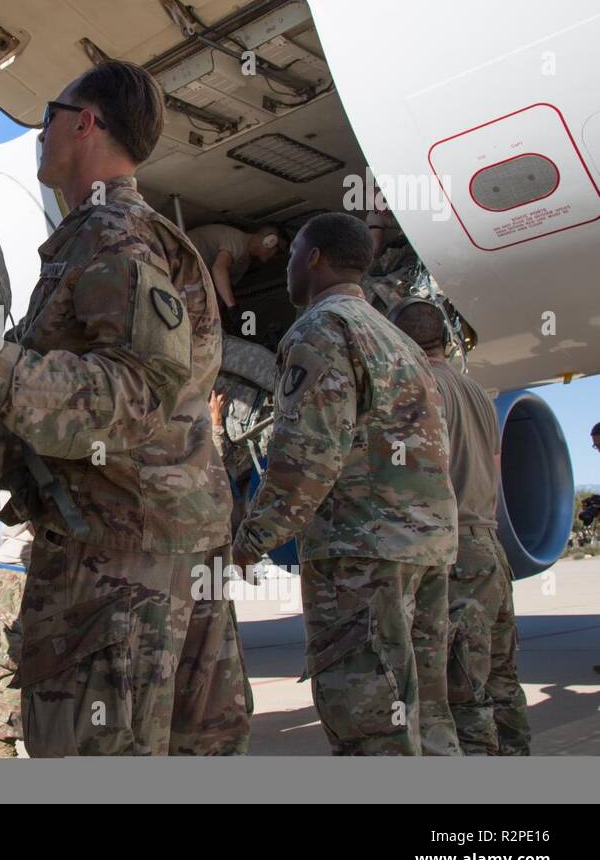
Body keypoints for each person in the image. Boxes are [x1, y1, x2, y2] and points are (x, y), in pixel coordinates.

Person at [0, 60, 250, 756]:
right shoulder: (128, 236)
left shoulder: (112, 234)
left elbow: (132, 392)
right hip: (164, 551)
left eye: (50, 114)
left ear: (84, 124)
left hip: (117, 568)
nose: (39, 132)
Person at [232, 212, 459, 755]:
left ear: (313, 259)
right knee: (427, 721)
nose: (286, 267)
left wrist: (248, 543)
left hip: (362, 555)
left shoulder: (321, 328)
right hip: (426, 550)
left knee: (371, 730)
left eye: (292, 256)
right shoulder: (400, 342)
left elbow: (307, 455)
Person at [389, 298, 530, 755]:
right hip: (490, 550)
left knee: (461, 693)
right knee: (502, 680)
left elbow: (413, 476)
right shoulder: (478, 393)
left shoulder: (421, 388)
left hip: (454, 558)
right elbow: (493, 466)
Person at [186, 223, 286, 331]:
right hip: (179, 259)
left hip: (192, 275)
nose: (276, 257)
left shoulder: (244, 263)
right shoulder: (238, 240)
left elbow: (221, 292)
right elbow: (219, 269)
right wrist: (233, 308)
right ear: (270, 241)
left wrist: (217, 322)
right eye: (279, 251)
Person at [0, 523, 31, 758]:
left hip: (17, 570)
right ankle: (5, 743)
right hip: (22, 571)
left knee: (11, 662)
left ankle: (5, 742)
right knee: (13, 661)